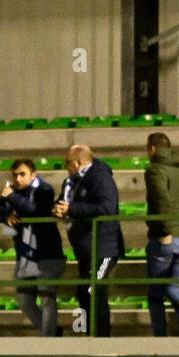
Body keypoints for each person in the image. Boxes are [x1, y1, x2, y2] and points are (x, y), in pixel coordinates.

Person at [0, 159, 65, 336]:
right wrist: (7, 215)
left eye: (22, 174)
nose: (18, 178)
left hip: (47, 254)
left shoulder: (44, 189)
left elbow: (37, 210)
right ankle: (54, 331)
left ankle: (48, 339)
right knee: (24, 300)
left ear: (33, 175)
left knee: (47, 297)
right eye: (15, 175)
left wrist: (12, 197)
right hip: (24, 255)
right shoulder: (13, 191)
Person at [54, 144, 123, 337]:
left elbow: (107, 207)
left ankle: (101, 337)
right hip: (87, 249)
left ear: (76, 162)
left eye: (67, 163)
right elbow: (66, 201)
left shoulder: (100, 177)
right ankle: (89, 334)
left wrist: (72, 209)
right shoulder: (73, 182)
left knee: (94, 290)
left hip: (103, 248)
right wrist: (58, 208)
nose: (66, 167)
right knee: (85, 291)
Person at [146, 132, 179, 336]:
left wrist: (164, 231)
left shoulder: (155, 170)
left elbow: (160, 200)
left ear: (151, 149)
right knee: (172, 284)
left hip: (166, 237)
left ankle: (160, 336)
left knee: (155, 293)